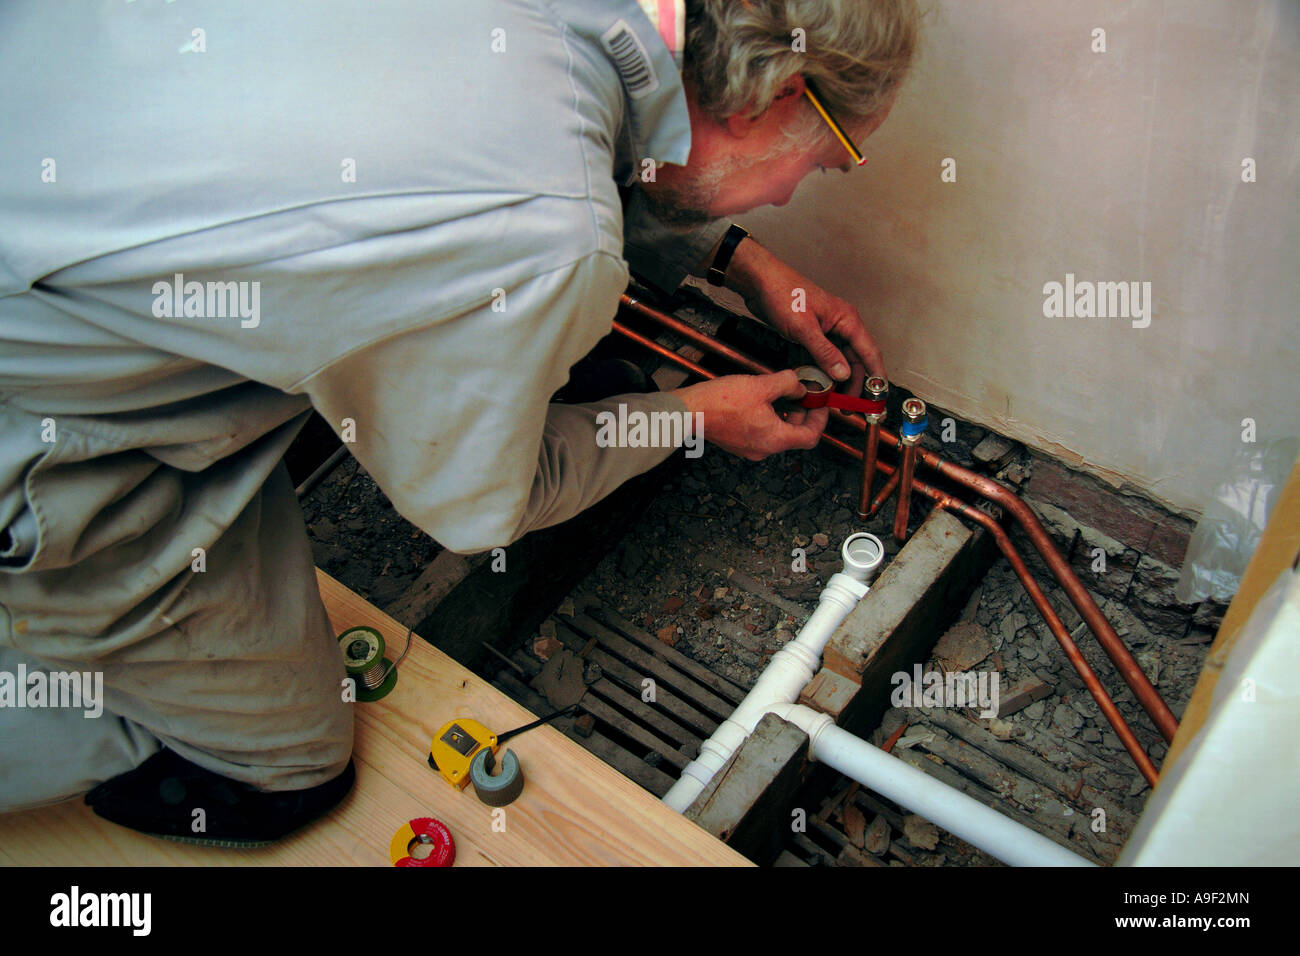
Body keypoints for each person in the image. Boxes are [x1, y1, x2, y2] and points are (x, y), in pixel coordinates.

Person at [0, 0, 918, 843]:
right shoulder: (545, 235)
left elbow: (520, 156)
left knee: (569, 368)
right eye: (825, 159)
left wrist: (736, 257)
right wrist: (689, 417)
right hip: (45, 433)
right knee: (291, 773)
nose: (793, 194)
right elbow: (483, 511)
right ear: (779, 96)